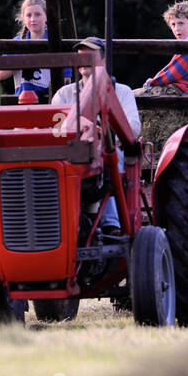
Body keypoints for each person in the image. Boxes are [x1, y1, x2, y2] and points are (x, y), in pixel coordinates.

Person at [52, 36, 141, 235]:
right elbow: (54, 128)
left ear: (103, 61)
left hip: (106, 149)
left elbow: (133, 127)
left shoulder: (122, 92)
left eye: (90, 55)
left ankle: (111, 223)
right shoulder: (64, 94)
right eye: (81, 56)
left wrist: (102, 136)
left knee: (112, 158)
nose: (84, 60)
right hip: (72, 154)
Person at [0, 0, 68, 100]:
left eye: (37, 14)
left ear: (46, 16)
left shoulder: (56, 43)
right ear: (23, 19)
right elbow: (0, 75)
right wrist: (23, 60)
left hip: (50, 102)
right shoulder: (16, 43)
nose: (33, 19)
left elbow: (66, 80)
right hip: (22, 101)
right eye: (29, 15)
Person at [140, 0, 188, 93]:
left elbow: (172, 73)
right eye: (173, 24)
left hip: (184, 92)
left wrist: (151, 82)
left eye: (181, 23)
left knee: (132, 96)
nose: (176, 28)